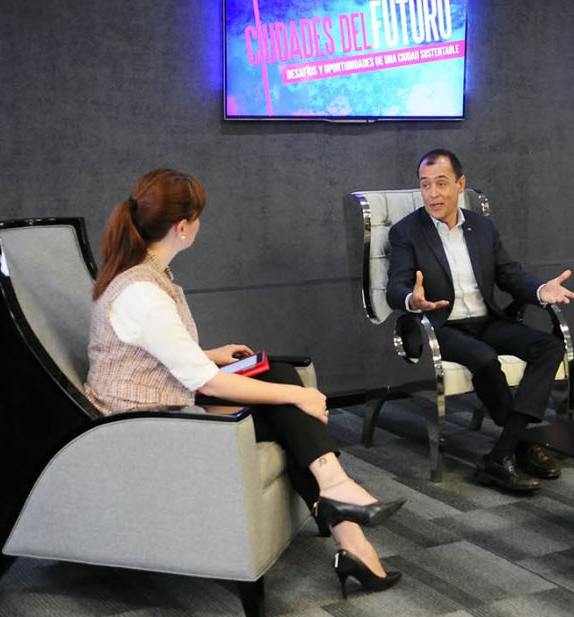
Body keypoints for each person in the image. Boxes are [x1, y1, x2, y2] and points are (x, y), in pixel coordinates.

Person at [85, 169, 403, 598]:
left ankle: (343, 513)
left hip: (164, 404)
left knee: (277, 375)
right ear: (183, 226)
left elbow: (151, 352)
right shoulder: (144, 292)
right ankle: (346, 522)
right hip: (145, 427)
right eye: (199, 217)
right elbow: (209, 385)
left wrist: (212, 354)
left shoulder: (143, 273)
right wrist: (299, 394)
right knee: (290, 403)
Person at [385, 149, 574, 493]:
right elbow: (394, 287)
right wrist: (411, 299)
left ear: (460, 185)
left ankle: (501, 453)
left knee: (549, 346)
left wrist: (540, 291)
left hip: (485, 319)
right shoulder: (406, 232)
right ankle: (519, 446)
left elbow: (510, 275)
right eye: (425, 185)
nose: (432, 194)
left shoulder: (482, 227)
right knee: (484, 359)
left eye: (441, 184)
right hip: (440, 325)